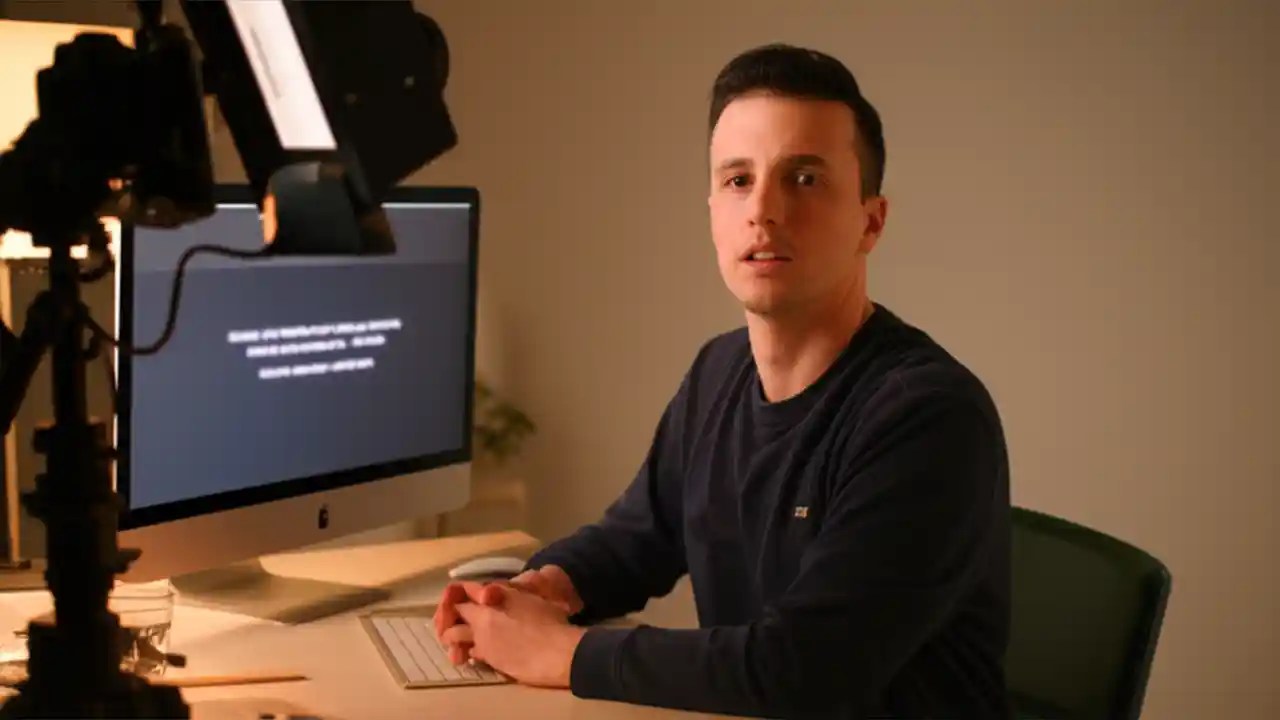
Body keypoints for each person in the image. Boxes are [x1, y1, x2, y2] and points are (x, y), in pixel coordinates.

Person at [435, 43, 1012, 719]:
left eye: (804, 179)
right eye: (739, 180)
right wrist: (540, 590)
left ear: (871, 220)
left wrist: (560, 655)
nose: (763, 210)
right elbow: (638, 538)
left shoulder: (928, 416)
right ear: (712, 210)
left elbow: (800, 670)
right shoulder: (720, 372)